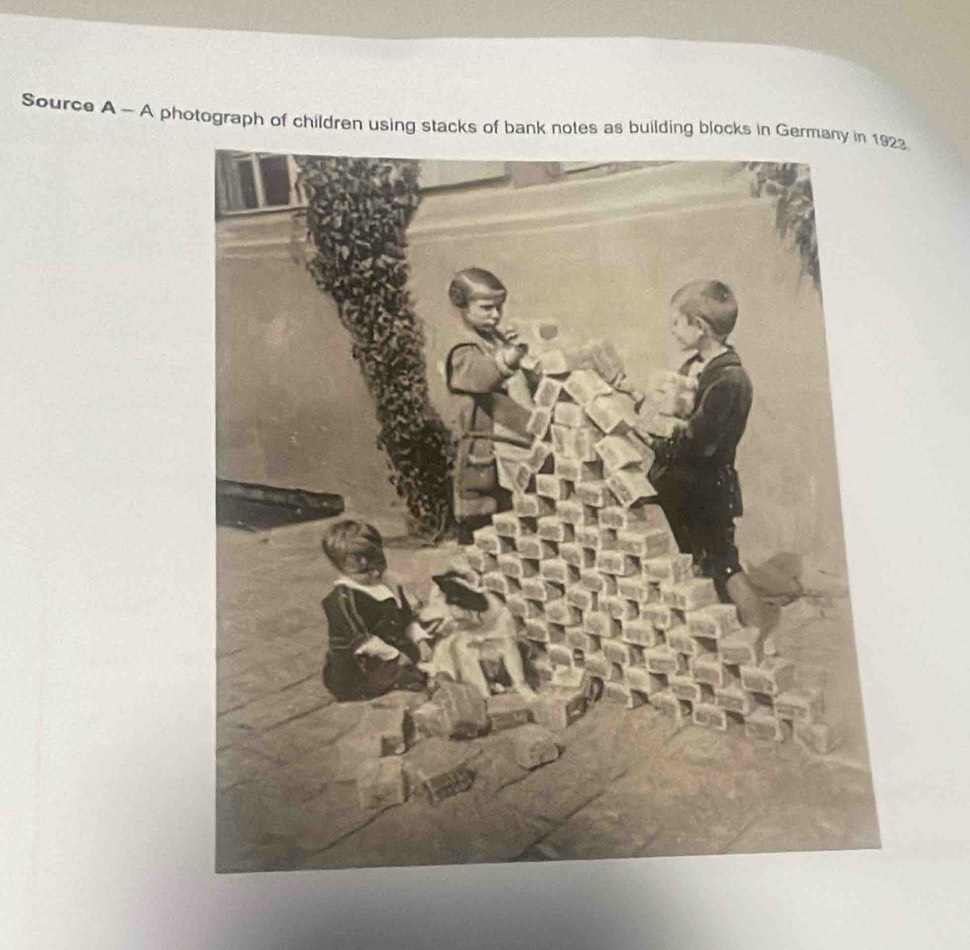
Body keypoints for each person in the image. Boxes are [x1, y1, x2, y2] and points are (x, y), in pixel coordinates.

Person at [645, 280, 771, 642]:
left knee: (723, 562)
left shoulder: (729, 379)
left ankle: (759, 632)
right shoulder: (695, 367)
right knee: (692, 561)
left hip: (706, 488)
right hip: (682, 486)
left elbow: (701, 442)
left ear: (698, 326)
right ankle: (716, 634)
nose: (671, 330)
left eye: (675, 322)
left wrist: (660, 429)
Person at [445, 268, 536, 544]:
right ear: (462, 305)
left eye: (499, 308)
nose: (495, 315)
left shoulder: (495, 339)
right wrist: (508, 358)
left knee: (519, 526)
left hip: (514, 446)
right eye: (486, 308)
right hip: (486, 456)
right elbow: (481, 377)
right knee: (485, 529)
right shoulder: (461, 348)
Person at [320, 519, 431, 702]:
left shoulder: (386, 585)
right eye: (363, 571)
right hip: (361, 665)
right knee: (416, 679)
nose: (374, 573)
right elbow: (362, 641)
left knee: (429, 662)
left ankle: (407, 673)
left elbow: (406, 619)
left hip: (393, 652)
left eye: (378, 563)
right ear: (342, 567)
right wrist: (396, 656)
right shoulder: (343, 599)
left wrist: (421, 641)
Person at [419, 570, 536, 701]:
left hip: (495, 658)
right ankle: (481, 696)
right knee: (459, 647)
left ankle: (517, 686)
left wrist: (521, 684)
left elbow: (509, 646)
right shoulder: (458, 618)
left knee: (506, 645)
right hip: (466, 661)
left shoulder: (499, 613)